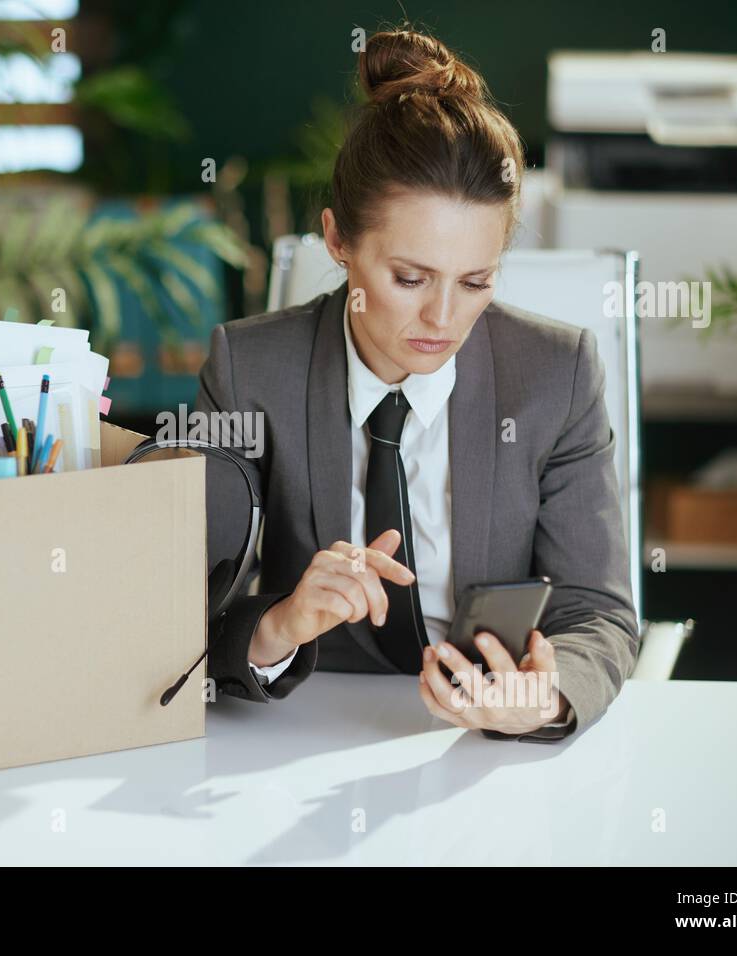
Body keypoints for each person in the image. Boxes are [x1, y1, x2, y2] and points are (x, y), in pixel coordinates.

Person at [195, 28, 639, 742]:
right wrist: (279, 625)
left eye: (475, 282)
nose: (442, 317)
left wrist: (545, 697)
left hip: (484, 754)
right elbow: (175, 617)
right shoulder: (249, 370)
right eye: (409, 278)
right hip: (303, 733)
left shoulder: (557, 375)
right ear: (338, 241)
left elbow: (599, 611)